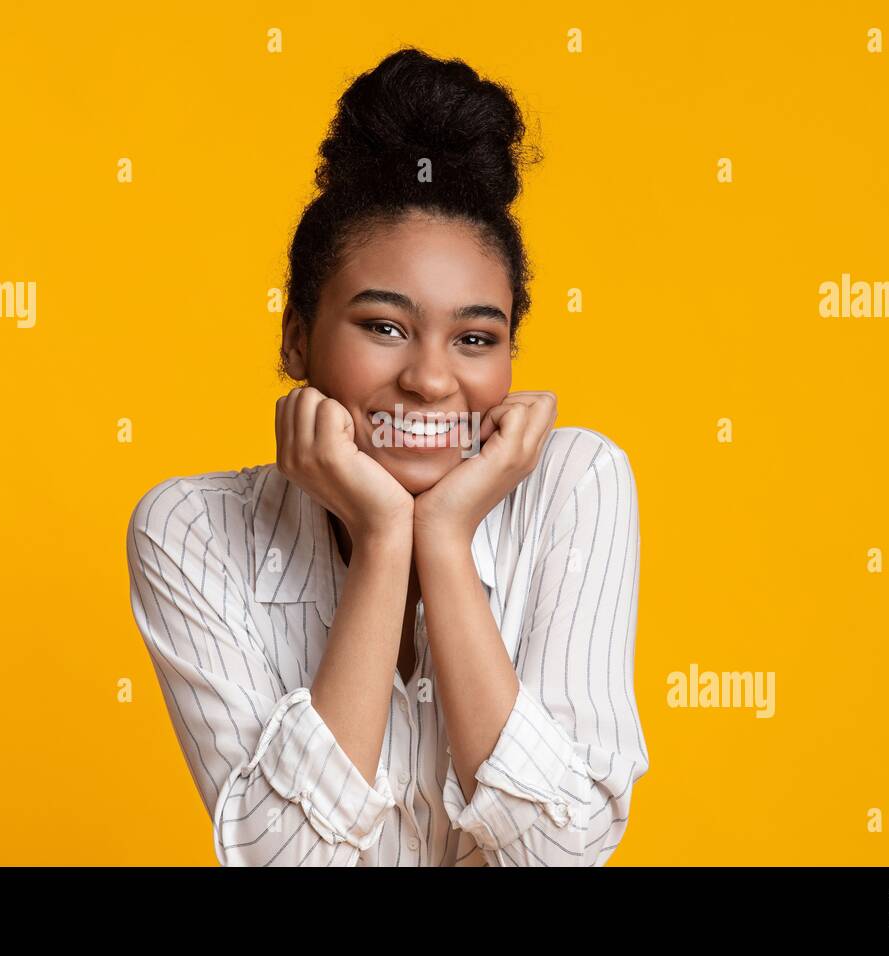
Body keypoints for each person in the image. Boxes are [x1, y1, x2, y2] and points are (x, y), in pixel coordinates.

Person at [126, 46, 649, 866]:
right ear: (296, 338)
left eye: (475, 338)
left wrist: (441, 538)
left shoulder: (575, 484)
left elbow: (561, 850)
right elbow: (286, 861)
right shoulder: (192, 528)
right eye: (385, 327)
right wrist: (381, 540)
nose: (432, 378)